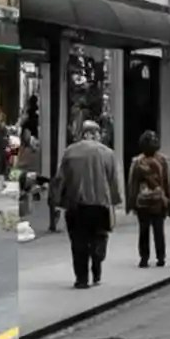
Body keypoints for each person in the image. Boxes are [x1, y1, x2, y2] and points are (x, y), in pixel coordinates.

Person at [54, 121, 121, 289]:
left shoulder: (69, 152)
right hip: (100, 205)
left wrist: (58, 202)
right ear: (96, 134)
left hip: (76, 205)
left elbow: (60, 179)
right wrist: (115, 201)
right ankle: (97, 266)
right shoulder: (108, 153)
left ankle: (81, 279)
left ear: (83, 133)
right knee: (99, 236)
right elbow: (113, 180)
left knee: (78, 243)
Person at [126, 130, 170, 268]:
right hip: (158, 200)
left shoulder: (138, 161)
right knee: (157, 230)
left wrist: (131, 202)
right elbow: (169, 183)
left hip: (144, 201)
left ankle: (145, 257)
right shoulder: (162, 160)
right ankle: (159, 257)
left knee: (145, 231)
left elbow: (132, 184)